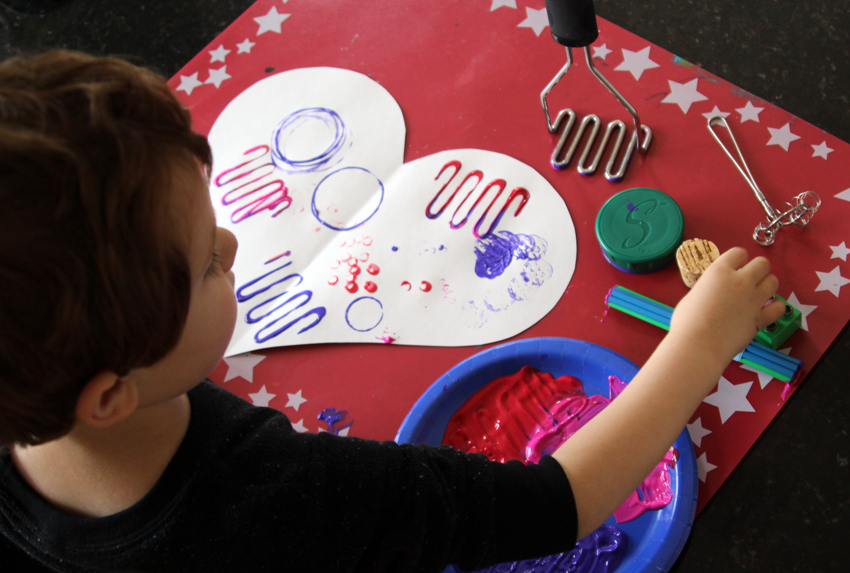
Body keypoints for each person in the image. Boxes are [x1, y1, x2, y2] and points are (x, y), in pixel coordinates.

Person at [0, 50, 785, 572]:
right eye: (206, 263)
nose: (235, 244)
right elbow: (556, 505)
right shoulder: (274, 499)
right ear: (108, 394)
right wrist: (698, 343)